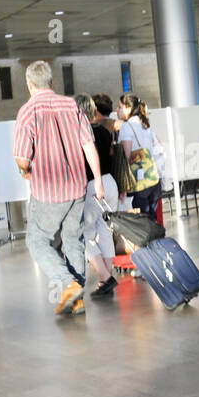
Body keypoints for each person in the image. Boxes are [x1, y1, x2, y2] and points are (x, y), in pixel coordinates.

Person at [12, 60, 104, 316]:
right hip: (77, 187)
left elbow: (21, 158)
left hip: (48, 192)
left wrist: (26, 171)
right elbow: (88, 145)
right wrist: (97, 179)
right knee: (73, 240)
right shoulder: (71, 105)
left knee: (37, 240)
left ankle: (68, 285)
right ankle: (77, 300)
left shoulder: (27, 112)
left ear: (29, 85)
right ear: (52, 82)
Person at [76, 94, 119, 296]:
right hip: (111, 183)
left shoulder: (81, 134)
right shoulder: (104, 130)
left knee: (84, 234)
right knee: (105, 230)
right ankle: (106, 281)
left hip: (94, 184)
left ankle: (105, 277)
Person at [117, 93, 163, 218]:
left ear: (128, 108)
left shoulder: (126, 126)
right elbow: (159, 146)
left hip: (138, 183)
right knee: (152, 218)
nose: (117, 110)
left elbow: (126, 157)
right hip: (153, 180)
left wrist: (123, 186)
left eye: (120, 107)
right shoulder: (145, 125)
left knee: (142, 221)